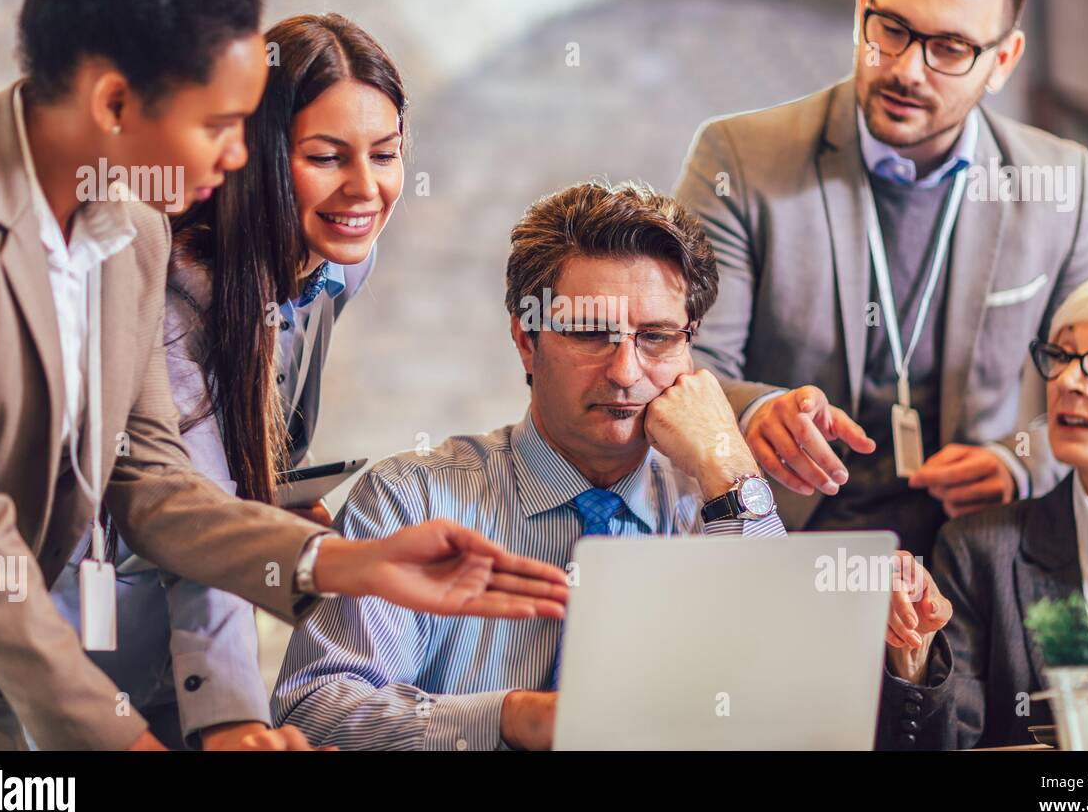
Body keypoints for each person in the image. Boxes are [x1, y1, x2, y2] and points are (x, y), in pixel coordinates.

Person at [0, 0, 565, 752]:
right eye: (223, 125)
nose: (238, 159)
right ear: (115, 103)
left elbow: (153, 484)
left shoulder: (135, 228)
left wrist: (346, 564)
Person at [672, 0, 1088, 561]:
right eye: (893, 29)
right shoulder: (739, 158)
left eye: (949, 48)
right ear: (863, 11)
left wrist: (1022, 463)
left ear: (1003, 61)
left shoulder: (1061, 183)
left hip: (979, 554)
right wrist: (754, 412)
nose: (907, 68)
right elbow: (683, 364)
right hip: (782, 545)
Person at [272, 181, 789, 750]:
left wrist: (728, 461)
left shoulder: (720, 506)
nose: (624, 371)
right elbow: (313, 712)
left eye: (658, 337)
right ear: (526, 338)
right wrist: (513, 718)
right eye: (591, 333)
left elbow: (790, 704)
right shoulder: (411, 500)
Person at [46, 14, 406, 750]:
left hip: (169, 666)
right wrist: (237, 719)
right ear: (261, 156)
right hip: (78, 648)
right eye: (327, 157)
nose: (365, 187)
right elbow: (199, 519)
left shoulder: (341, 261)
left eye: (387, 153)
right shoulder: (173, 294)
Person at [880, 267, 1088, 749]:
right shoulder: (979, 553)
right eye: (1061, 355)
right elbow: (944, 744)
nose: (1067, 379)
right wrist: (914, 657)